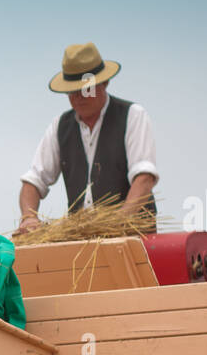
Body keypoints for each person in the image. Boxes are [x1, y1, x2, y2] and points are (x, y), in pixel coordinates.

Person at [16, 43, 157, 234]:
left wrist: (120, 222)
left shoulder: (133, 116)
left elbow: (144, 178)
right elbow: (33, 181)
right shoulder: (60, 127)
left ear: (104, 83)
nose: (78, 97)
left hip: (133, 239)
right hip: (82, 243)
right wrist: (29, 218)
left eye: (85, 89)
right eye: (72, 91)